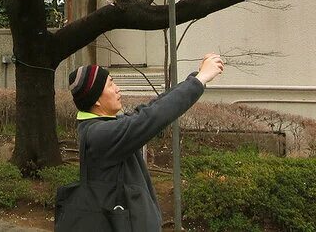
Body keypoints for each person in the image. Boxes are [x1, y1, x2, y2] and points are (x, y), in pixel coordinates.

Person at [63, 53, 225, 231]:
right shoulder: (101, 135)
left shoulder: (105, 126)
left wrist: (195, 77)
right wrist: (200, 80)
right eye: (110, 84)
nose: (117, 89)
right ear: (96, 100)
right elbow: (152, 117)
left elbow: (150, 108)